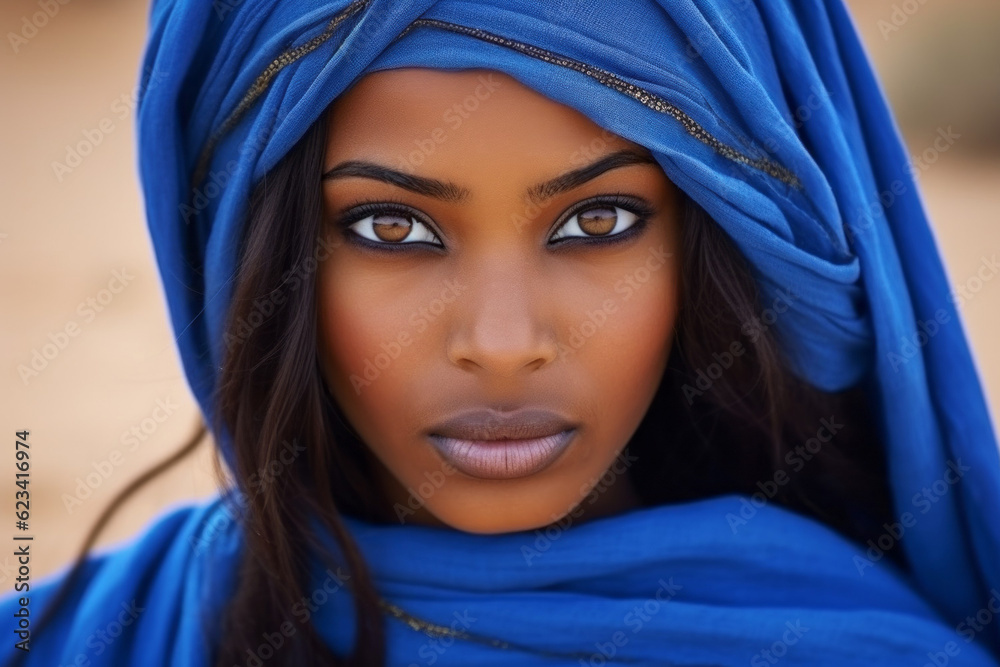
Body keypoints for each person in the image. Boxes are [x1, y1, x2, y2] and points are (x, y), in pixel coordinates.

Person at [3, 0, 1000, 665]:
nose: (503, 339)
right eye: (390, 228)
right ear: (243, 255)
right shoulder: (96, 635)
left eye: (596, 222)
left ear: (718, 243)